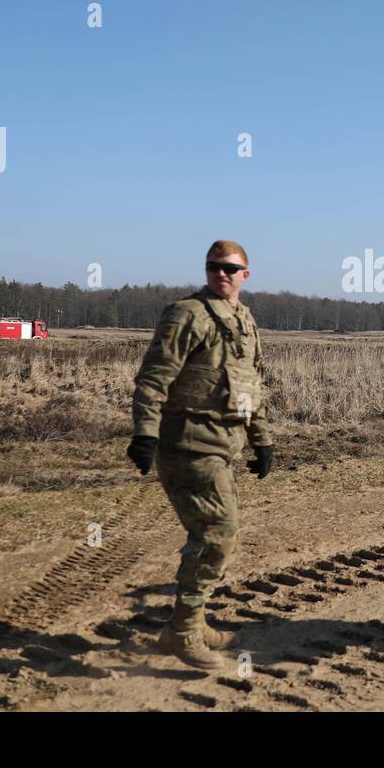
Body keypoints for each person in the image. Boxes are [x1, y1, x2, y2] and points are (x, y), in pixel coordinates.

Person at [126, 240, 275, 670]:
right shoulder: (187, 314)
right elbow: (153, 379)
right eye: (213, 267)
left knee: (215, 536)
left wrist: (261, 440)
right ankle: (183, 631)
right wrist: (144, 435)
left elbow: (251, 387)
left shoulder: (243, 319)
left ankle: (191, 621)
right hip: (189, 445)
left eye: (230, 268)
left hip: (223, 446)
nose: (221, 274)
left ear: (246, 274)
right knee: (217, 534)